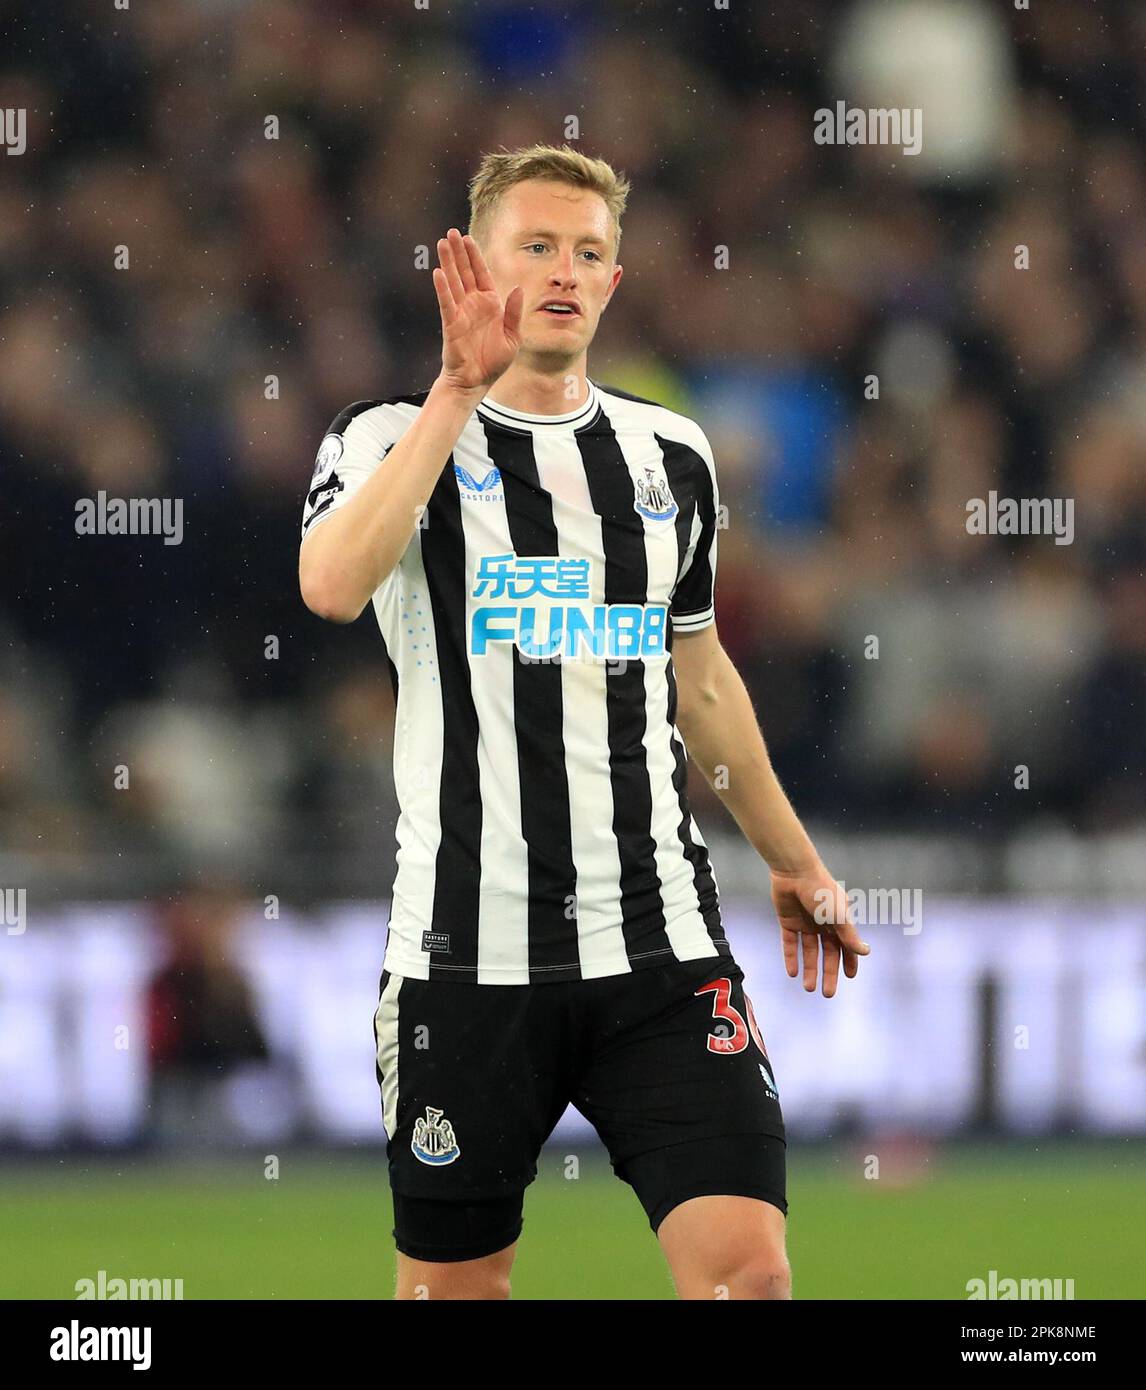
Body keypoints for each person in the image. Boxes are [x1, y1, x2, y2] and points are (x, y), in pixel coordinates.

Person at [298, 144, 869, 1300]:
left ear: (614, 284)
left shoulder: (674, 457)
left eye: (590, 253)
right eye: (538, 247)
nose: (566, 271)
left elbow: (700, 679)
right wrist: (457, 392)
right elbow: (330, 585)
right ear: (472, 268)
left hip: (657, 947)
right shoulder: (385, 435)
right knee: (456, 1291)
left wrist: (795, 861)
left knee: (749, 1278)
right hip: (466, 959)